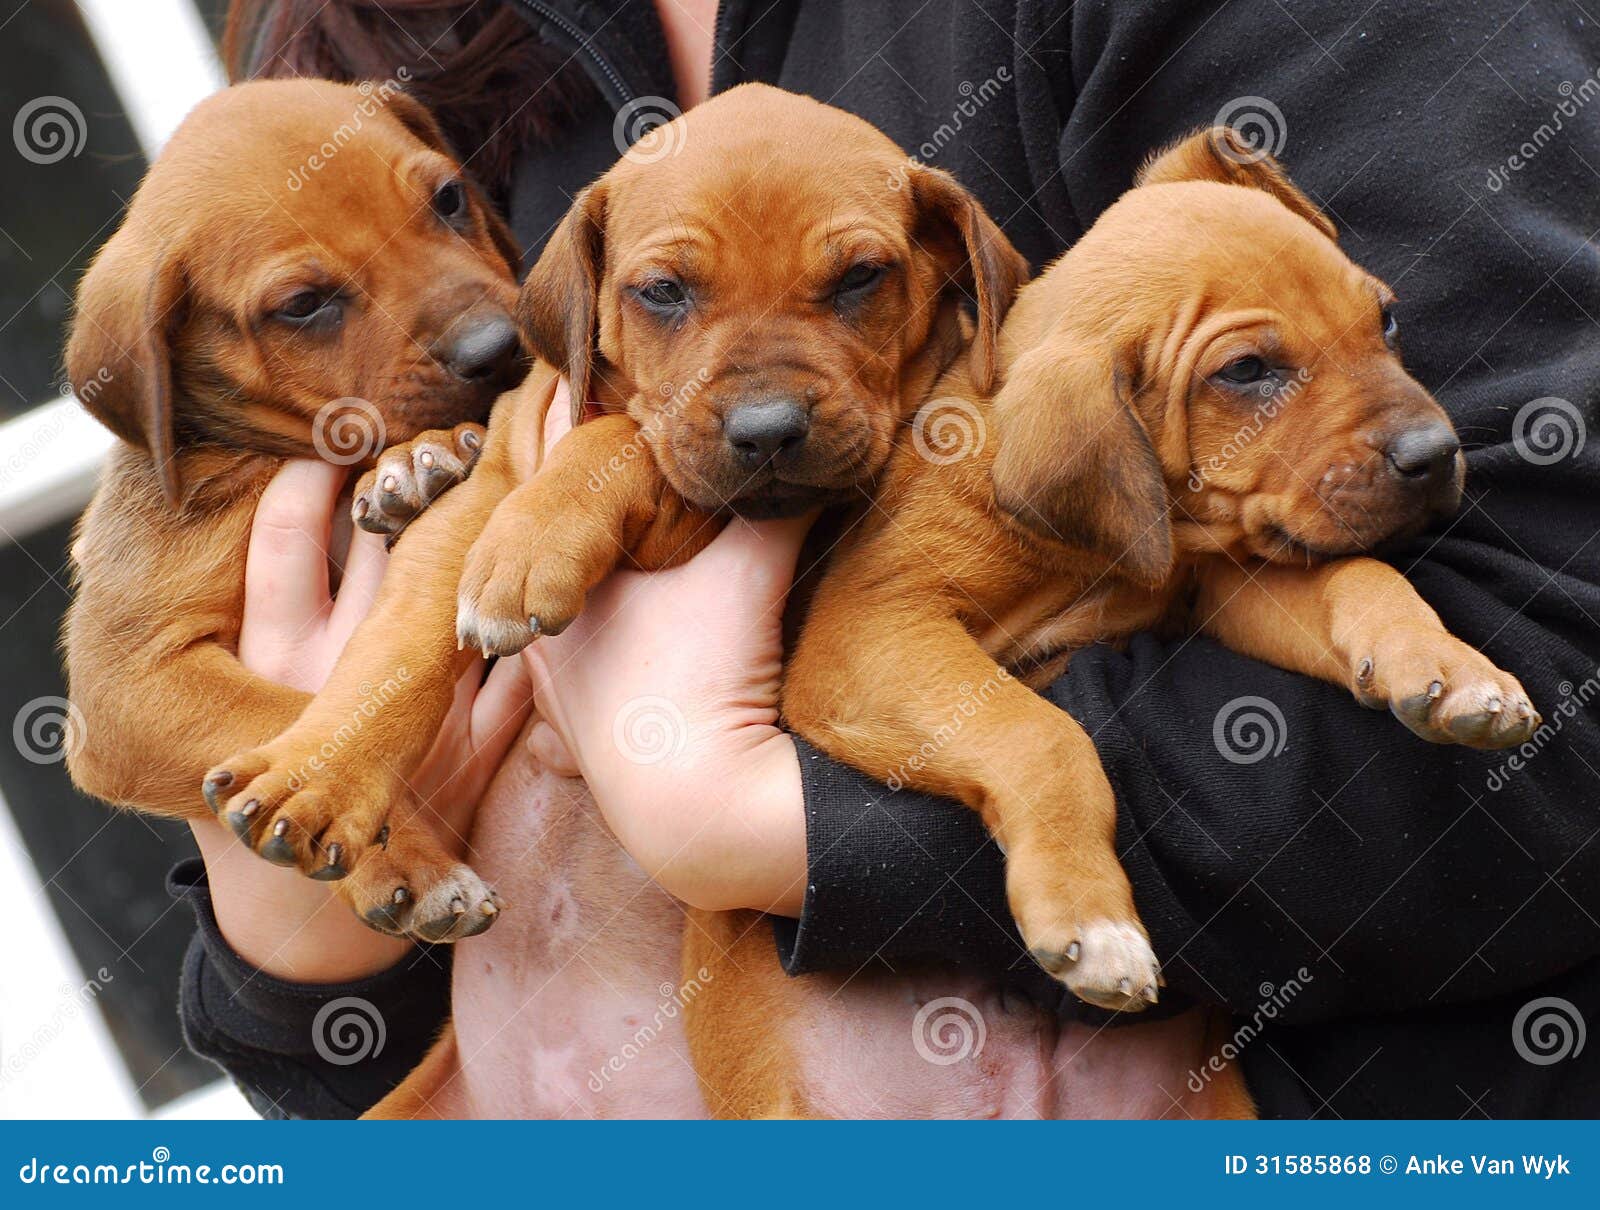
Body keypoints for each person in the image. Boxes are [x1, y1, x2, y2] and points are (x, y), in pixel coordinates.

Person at [174, 0, 1600, 1117]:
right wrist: (291, 947)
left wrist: (763, 815)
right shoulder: (360, 70)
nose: (769, 398)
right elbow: (369, 1047)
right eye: (663, 298)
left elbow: (1556, 693)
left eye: (860, 284)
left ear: (967, 283)